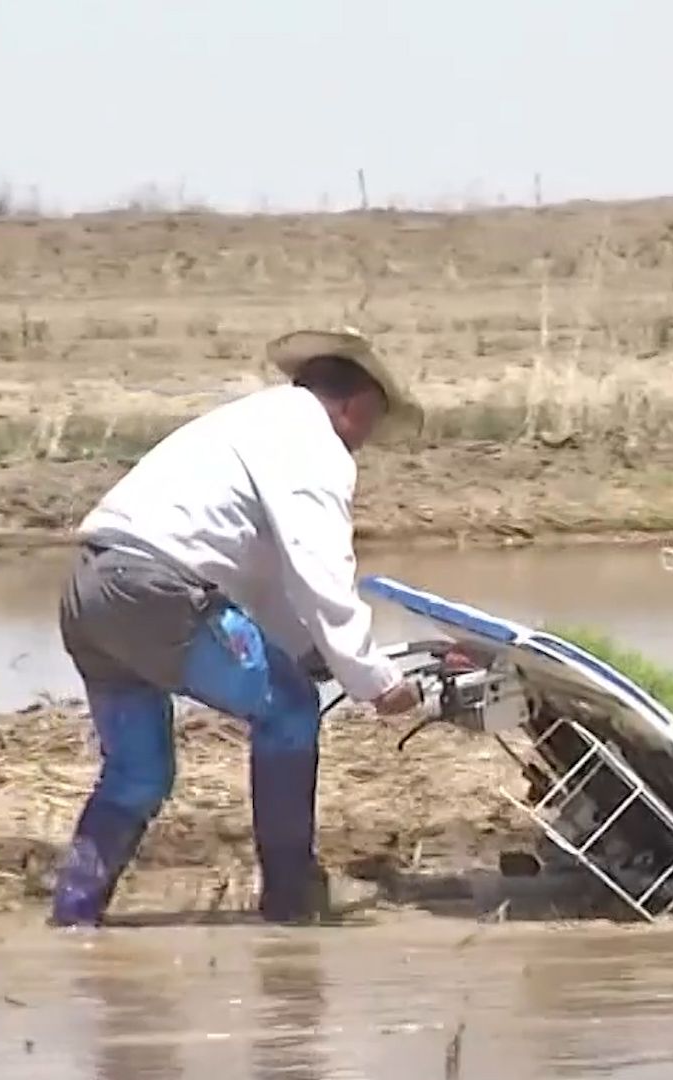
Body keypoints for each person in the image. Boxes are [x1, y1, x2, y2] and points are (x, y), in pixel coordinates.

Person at [50, 327, 440, 927]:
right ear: (359, 406)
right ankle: (289, 906)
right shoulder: (313, 443)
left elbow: (261, 587)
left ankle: (74, 917)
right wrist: (375, 680)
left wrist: (317, 653)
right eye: (371, 427)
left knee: (139, 771)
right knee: (288, 706)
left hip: (92, 591)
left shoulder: (251, 426)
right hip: (157, 591)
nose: (364, 444)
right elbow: (319, 569)